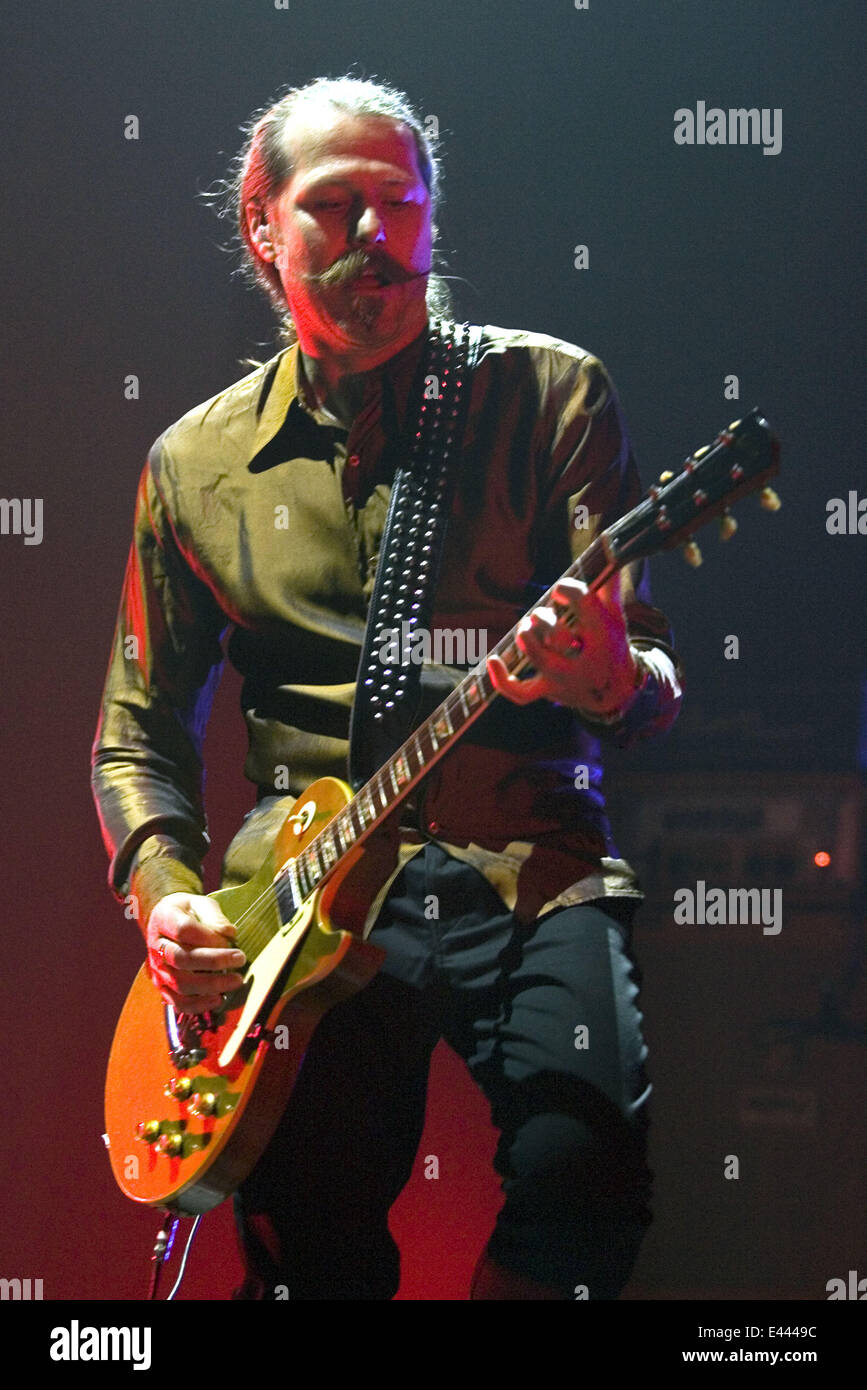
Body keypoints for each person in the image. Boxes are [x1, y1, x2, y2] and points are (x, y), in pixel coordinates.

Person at [91, 75, 683, 1300]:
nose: (377, 237)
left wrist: (612, 674)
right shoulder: (195, 464)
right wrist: (167, 897)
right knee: (307, 1248)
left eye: (402, 206)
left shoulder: (548, 395)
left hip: (527, 856)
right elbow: (136, 733)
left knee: (588, 1178)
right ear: (263, 225)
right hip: (295, 908)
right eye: (336, 205)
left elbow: (647, 685)